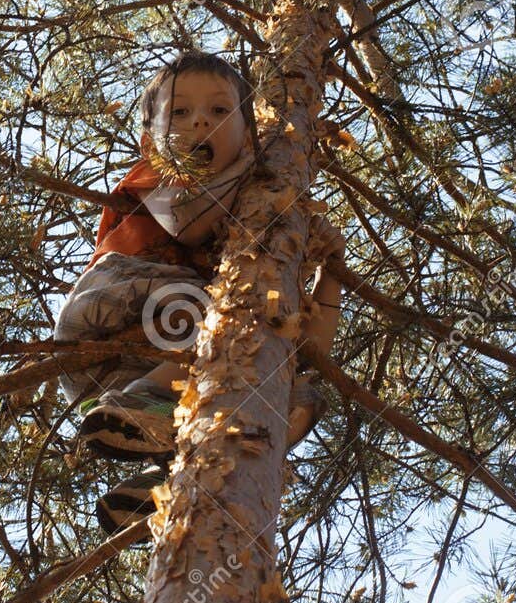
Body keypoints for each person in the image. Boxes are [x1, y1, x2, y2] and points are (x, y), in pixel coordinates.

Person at [52, 48, 343, 539]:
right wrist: (257, 173)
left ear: (245, 134)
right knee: (235, 312)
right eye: (180, 113)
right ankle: (145, 401)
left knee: (289, 386)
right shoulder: (161, 174)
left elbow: (309, 347)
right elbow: (187, 223)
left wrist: (330, 272)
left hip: (123, 379)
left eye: (219, 110)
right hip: (115, 302)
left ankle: (162, 479)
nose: (199, 123)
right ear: (150, 141)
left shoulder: (256, 249)